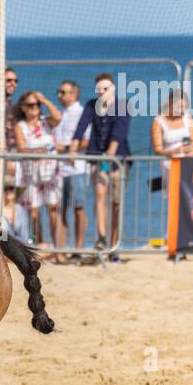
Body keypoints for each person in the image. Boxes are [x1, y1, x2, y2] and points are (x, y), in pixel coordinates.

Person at [71, 74, 130, 259]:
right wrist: (73, 147)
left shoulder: (122, 105)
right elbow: (82, 125)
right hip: (97, 158)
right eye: (99, 89)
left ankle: (115, 245)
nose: (102, 92)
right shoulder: (91, 105)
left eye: (106, 88)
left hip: (119, 160)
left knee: (116, 203)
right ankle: (102, 238)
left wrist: (112, 150)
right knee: (100, 195)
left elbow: (120, 129)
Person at [13, 91, 61, 252]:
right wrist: (36, 152)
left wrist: (44, 99)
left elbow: (58, 117)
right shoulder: (20, 126)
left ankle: (56, 247)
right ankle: (39, 245)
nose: (34, 108)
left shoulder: (46, 122)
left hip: (50, 173)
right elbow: (20, 147)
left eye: (36, 105)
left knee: (53, 209)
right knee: (34, 211)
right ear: (23, 107)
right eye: (30, 105)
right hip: (32, 174)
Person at [49, 80, 87, 256]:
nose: (59, 95)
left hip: (76, 167)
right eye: (58, 91)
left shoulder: (81, 113)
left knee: (78, 208)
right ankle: (61, 249)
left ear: (73, 94)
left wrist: (65, 148)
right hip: (58, 169)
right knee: (60, 209)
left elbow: (87, 140)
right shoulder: (60, 114)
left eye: (63, 92)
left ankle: (78, 249)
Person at [151, 87, 193, 172]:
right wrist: (175, 152)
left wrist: (192, 154)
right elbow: (158, 150)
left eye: (184, 107)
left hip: (188, 161)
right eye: (179, 107)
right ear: (170, 104)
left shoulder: (188, 119)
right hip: (169, 162)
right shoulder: (158, 121)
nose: (181, 110)